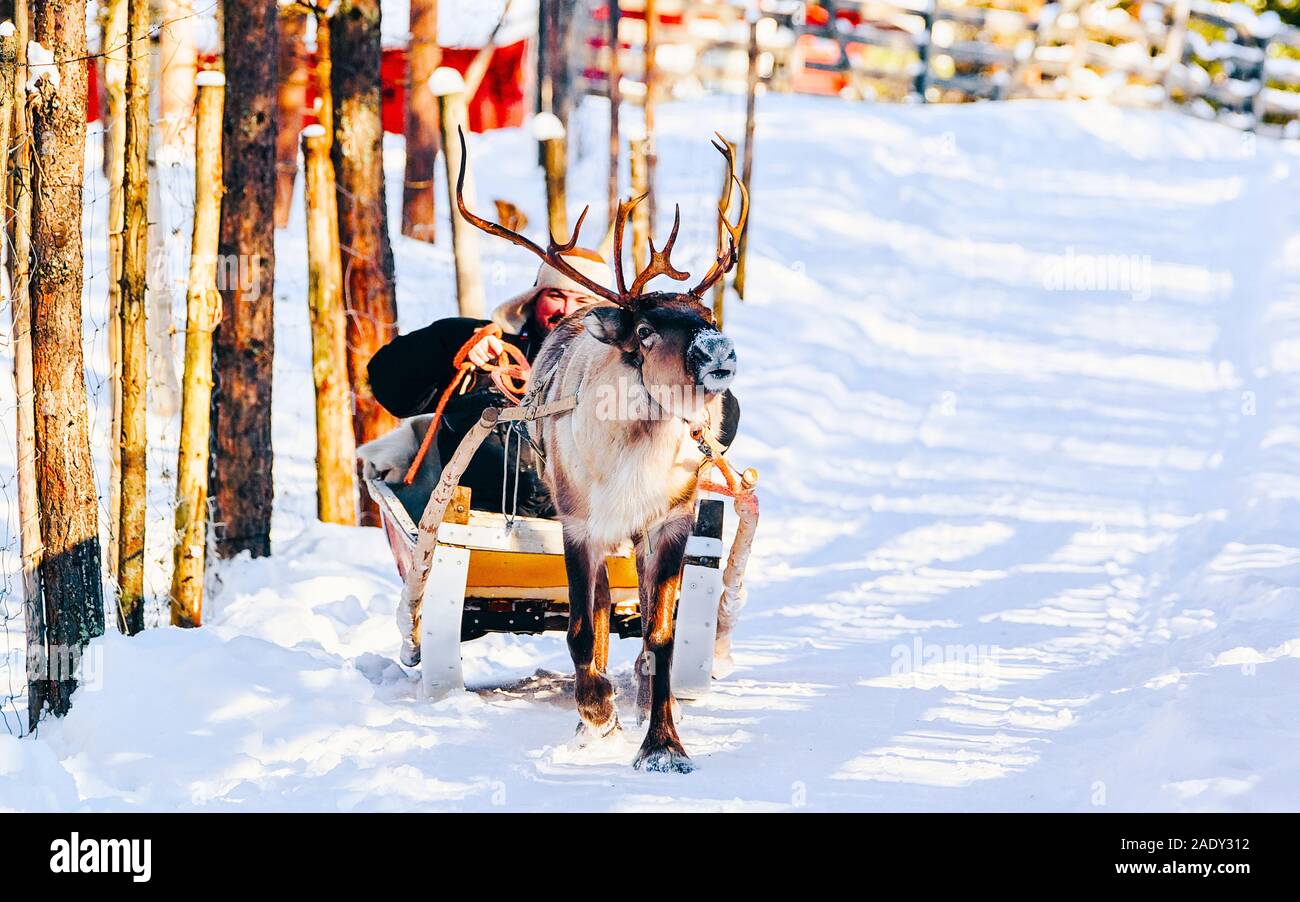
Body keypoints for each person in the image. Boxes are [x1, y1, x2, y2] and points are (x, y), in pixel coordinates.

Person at [361, 248, 739, 519]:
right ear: (534, 299)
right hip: (483, 508)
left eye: (581, 300)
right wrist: (454, 343)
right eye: (555, 295)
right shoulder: (494, 349)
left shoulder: (628, 368)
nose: (565, 310)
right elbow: (389, 384)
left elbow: (723, 421)